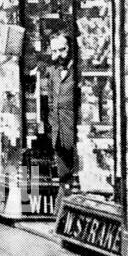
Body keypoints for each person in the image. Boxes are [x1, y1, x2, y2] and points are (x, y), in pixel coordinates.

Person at [44, 32, 77, 201]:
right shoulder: (54, 72)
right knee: (63, 178)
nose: (58, 55)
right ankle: (62, 211)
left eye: (62, 50)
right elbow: (51, 101)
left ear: (70, 48)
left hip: (73, 133)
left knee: (75, 179)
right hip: (58, 134)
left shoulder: (76, 71)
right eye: (54, 51)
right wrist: (52, 125)